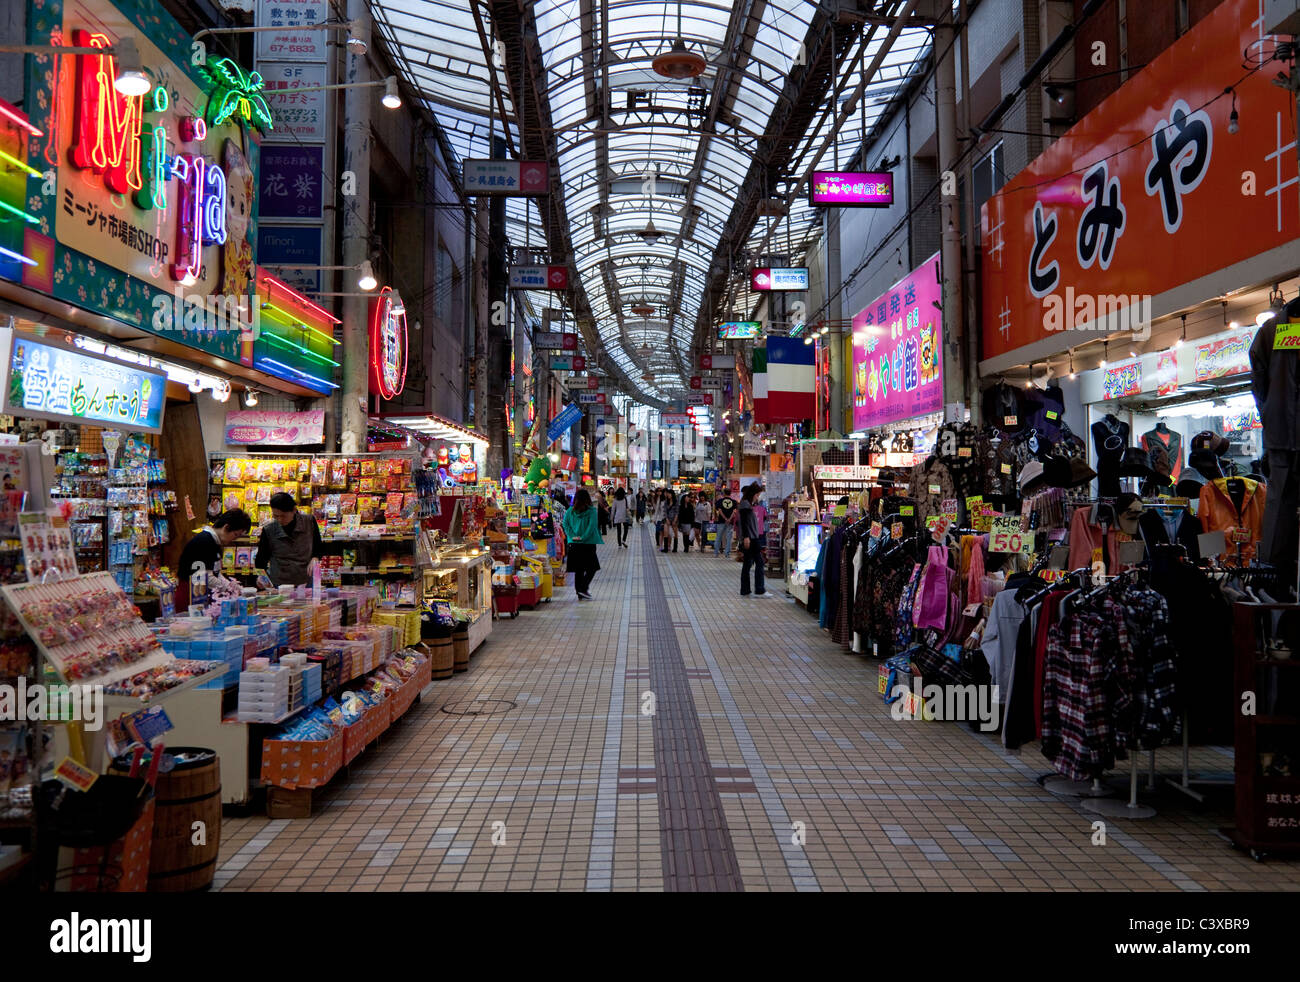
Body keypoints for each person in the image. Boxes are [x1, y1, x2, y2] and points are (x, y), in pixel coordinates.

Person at [176, 509, 252, 608]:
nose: (234, 539)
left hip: (199, 595)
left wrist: (237, 588)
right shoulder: (204, 541)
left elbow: (216, 573)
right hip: (190, 596)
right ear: (226, 527)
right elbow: (207, 578)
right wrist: (231, 589)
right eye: (235, 535)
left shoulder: (214, 542)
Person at [255, 491, 323, 588]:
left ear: (294, 510)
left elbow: (318, 546)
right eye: (276, 516)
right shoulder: (269, 530)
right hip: (280, 584)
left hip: (305, 582)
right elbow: (261, 560)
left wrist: (315, 557)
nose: (279, 520)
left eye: (283, 516)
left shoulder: (309, 522)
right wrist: (261, 577)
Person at [562, 488, 603, 599]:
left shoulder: (570, 511)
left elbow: (565, 524)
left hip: (574, 544)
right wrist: (583, 537)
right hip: (588, 543)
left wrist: (572, 536)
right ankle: (583, 588)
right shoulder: (592, 511)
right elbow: (592, 526)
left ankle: (579, 591)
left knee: (578, 569)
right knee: (592, 567)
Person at [738, 484, 768, 597]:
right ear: (753, 494)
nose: (757, 497)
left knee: (747, 564)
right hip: (750, 538)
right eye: (757, 495)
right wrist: (746, 537)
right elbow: (744, 522)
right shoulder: (745, 504)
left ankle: (745, 590)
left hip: (751, 537)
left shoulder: (747, 504)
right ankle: (759, 589)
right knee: (759, 562)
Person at [714, 489, 738, 558]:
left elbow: (720, 510)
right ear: (730, 493)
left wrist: (724, 518)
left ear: (723, 493)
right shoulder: (734, 502)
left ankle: (716, 553)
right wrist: (729, 519)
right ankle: (727, 553)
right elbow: (734, 512)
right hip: (730, 523)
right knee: (729, 538)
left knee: (718, 537)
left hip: (721, 521)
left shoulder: (720, 501)